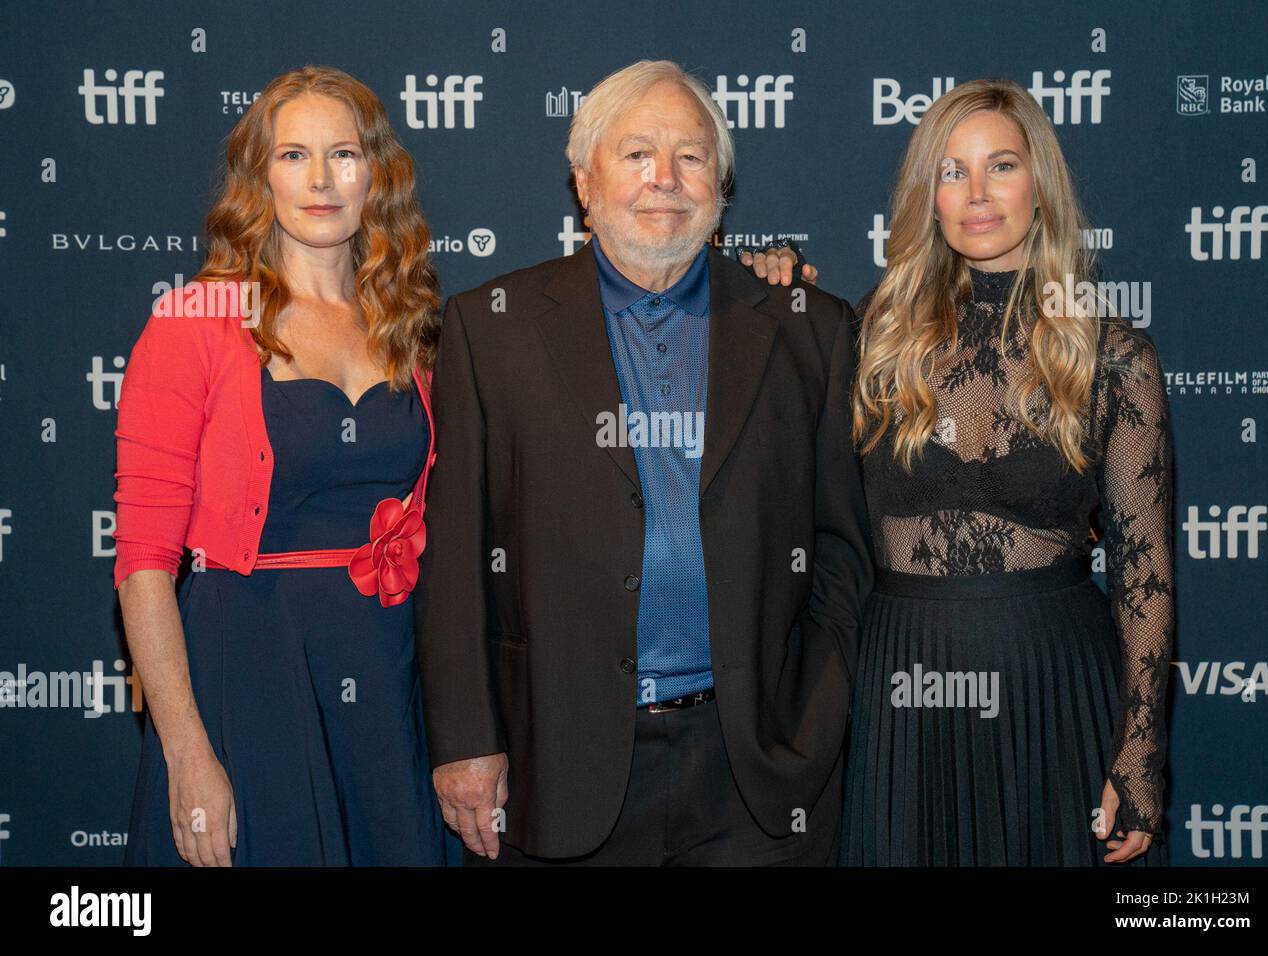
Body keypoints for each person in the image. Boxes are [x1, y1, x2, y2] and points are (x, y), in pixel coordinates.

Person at [413, 59, 870, 866]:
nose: (665, 179)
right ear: (585, 183)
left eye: (691, 157)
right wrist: (465, 742)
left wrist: (813, 715)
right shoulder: (492, 329)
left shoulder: (810, 328)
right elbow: (454, 560)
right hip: (558, 764)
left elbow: (842, 547)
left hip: (758, 775)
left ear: (721, 186)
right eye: (636, 155)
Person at [833, 78, 1174, 865]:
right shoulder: (867, 342)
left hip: (1051, 685)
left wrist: (1141, 751)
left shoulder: (1113, 357)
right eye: (952, 172)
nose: (977, 194)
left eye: (1002, 166)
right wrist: (771, 274)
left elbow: (1146, 569)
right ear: (930, 195)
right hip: (902, 687)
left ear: (1040, 187)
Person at [113, 66, 445, 866]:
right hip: (252, 667)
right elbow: (144, 562)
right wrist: (187, 751)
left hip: (389, 665)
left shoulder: (411, 324)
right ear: (260, 176)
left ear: (379, 174)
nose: (322, 181)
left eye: (345, 154)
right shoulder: (197, 319)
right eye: (295, 156)